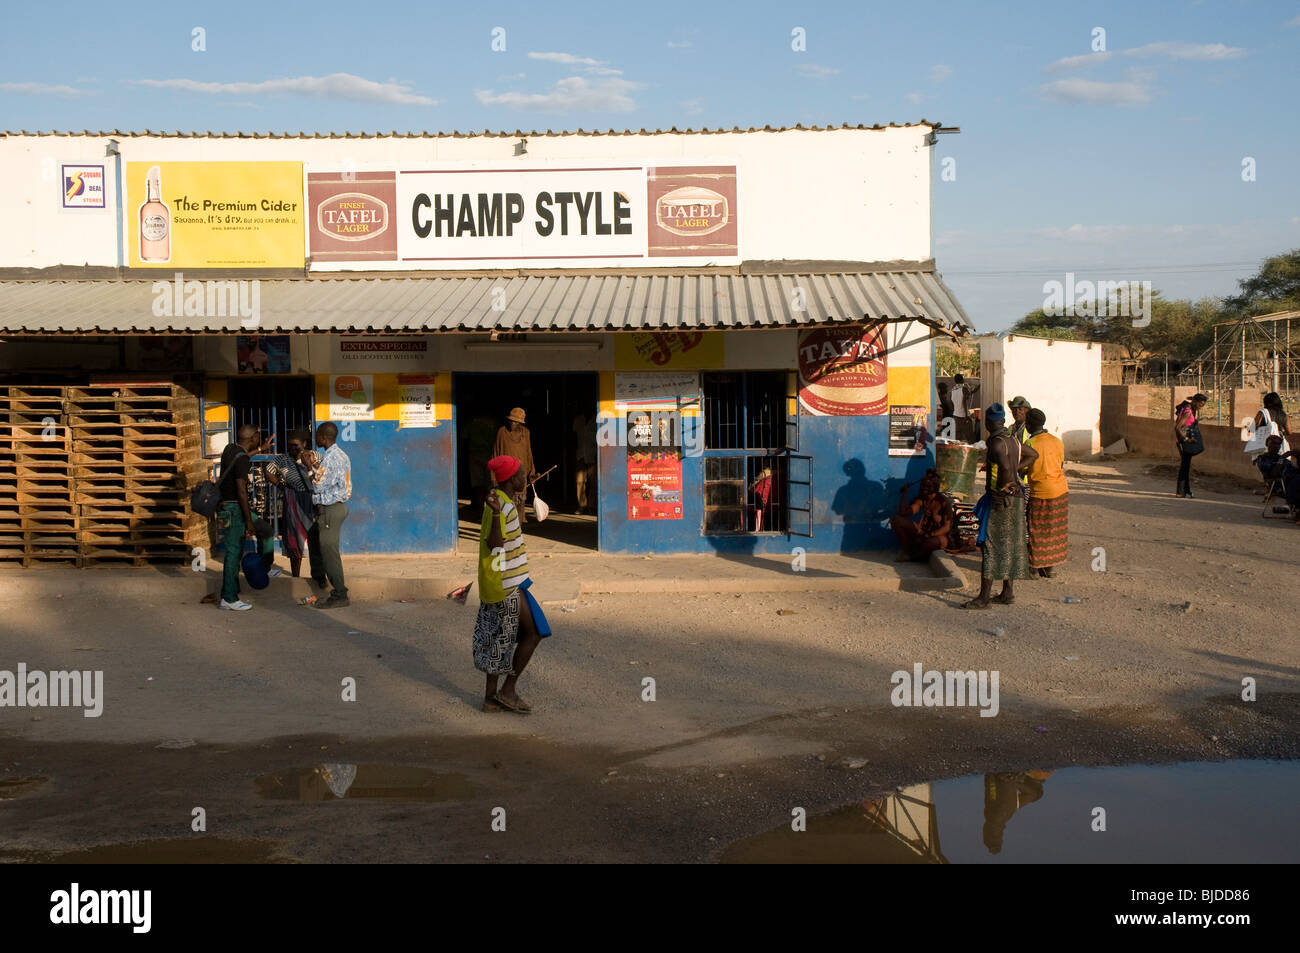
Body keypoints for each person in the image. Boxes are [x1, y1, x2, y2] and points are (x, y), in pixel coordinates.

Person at [475, 455, 551, 713]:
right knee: (535, 632)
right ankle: (508, 691)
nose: (524, 478)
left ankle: (489, 699)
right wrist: (497, 514)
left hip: (503, 581)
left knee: (501, 638)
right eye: (520, 474)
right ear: (509, 478)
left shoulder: (501, 500)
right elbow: (495, 544)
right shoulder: (501, 506)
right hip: (508, 583)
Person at [962, 403, 1036, 609]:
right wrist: (1014, 473)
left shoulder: (995, 443)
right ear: (1002, 420)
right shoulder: (1012, 440)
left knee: (990, 546)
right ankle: (1007, 592)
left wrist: (1005, 483)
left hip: (1000, 498)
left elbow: (1003, 465)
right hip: (1015, 497)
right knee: (1008, 544)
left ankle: (984, 597)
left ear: (988, 422)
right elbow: (1033, 455)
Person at [215, 424, 261, 611]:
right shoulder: (242, 461)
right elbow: (242, 491)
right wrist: (248, 519)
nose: (259, 439)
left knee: (233, 551)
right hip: (235, 509)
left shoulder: (230, 449)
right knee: (233, 553)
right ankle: (229, 598)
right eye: (258, 437)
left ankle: (232, 590)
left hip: (225, 506)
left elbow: (241, 458)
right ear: (253, 438)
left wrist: (260, 450)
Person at [265, 428, 318, 579]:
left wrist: (309, 464)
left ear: (305, 444)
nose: (293, 448)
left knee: (315, 539)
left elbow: (320, 473)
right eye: (290, 445)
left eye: (296, 445)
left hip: (313, 500)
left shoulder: (313, 456)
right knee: (295, 539)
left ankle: (318, 575)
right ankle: (296, 577)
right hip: (293, 501)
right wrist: (280, 484)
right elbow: (268, 471)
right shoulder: (282, 459)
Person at [310, 422, 351, 609]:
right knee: (330, 550)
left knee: (329, 553)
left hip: (330, 509)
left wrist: (309, 467)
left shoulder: (331, 457)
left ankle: (340, 594)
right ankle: (339, 590)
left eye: (317, 435)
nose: (316, 438)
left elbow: (318, 485)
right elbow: (331, 478)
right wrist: (317, 466)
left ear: (324, 437)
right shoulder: (341, 455)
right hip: (338, 506)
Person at [1024, 409, 1069, 577]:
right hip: (1060, 490)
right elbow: (1060, 464)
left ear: (1028, 425)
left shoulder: (1031, 444)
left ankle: (1034, 568)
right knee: (1054, 530)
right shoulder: (1057, 441)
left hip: (1040, 491)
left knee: (1036, 529)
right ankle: (1049, 568)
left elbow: (1025, 467)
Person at [890, 468, 954, 561]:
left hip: (938, 535)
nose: (924, 488)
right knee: (897, 520)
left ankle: (915, 557)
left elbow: (946, 527)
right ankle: (907, 551)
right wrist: (905, 494)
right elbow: (904, 512)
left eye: (928, 486)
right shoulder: (922, 499)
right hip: (924, 532)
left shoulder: (943, 502)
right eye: (923, 486)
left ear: (935, 487)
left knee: (931, 542)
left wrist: (929, 535)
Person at [493, 407, 537, 522]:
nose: (513, 423)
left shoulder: (526, 433)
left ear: (520, 423)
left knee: (519, 502)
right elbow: (496, 453)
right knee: (505, 503)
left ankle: (517, 532)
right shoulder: (502, 431)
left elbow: (529, 452)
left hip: (520, 473)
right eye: (511, 420)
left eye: (516, 421)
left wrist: (532, 472)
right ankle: (506, 531)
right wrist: (493, 476)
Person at [1254, 435, 1300, 517]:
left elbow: (1295, 470)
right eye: (1273, 443)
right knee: (1296, 481)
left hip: (1292, 480)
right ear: (1267, 444)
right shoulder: (1262, 459)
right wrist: (1283, 457)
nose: (1276, 446)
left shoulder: (1282, 459)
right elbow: (1274, 474)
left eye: (1278, 444)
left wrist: (1298, 457)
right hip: (1278, 484)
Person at [1174, 393, 1208, 498]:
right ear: (1195, 402)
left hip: (1183, 441)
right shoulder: (1188, 412)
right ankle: (1180, 491)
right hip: (1183, 442)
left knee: (1186, 467)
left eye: (1202, 405)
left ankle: (1186, 490)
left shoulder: (1189, 409)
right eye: (1200, 404)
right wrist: (1187, 439)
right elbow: (1178, 427)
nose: (1200, 407)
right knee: (1184, 467)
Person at [465, 411, 497, 508]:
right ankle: (490, 507)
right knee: (489, 482)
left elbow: (464, 437)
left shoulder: (471, 422)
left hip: (475, 455)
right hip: (490, 455)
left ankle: (479, 508)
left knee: (478, 483)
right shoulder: (494, 422)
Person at [572, 412, 597, 514]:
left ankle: (591, 507)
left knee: (593, 483)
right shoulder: (578, 419)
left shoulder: (597, 419)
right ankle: (582, 506)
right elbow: (573, 436)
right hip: (581, 456)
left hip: (593, 455)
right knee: (579, 482)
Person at [950, 374, 970, 441]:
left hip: (956, 415)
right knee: (968, 437)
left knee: (958, 437)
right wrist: (966, 416)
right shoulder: (964, 389)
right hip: (963, 416)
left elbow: (952, 403)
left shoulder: (953, 390)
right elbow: (964, 402)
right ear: (962, 380)